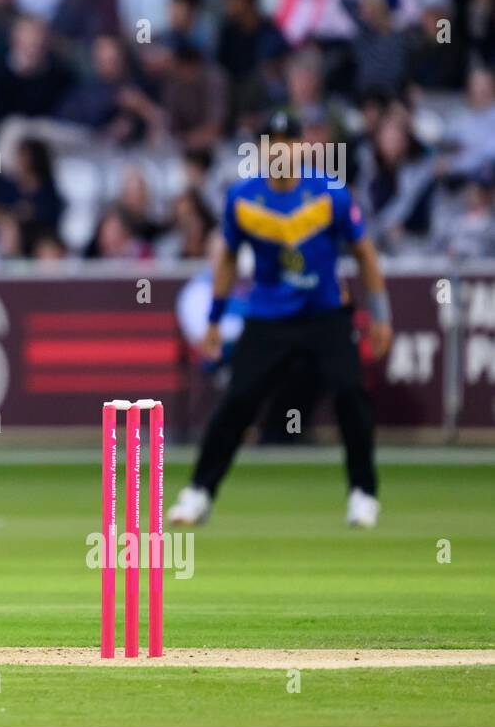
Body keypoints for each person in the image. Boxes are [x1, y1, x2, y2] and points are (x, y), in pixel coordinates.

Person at [168, 112, 393, 529]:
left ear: (302, 147)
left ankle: (363, 494)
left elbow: (364, 254)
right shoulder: (243, 199)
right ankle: (199, 492)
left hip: (325, 313)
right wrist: (215, 320)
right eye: (270, 142)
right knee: (237, 402)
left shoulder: (331, 195)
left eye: (286, 141)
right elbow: (228, 261)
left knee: (350, 394)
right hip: (269, 316)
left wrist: (380, 314)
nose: (279, 150)